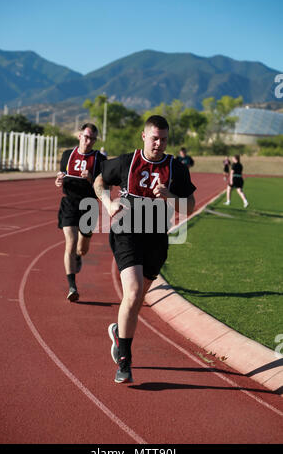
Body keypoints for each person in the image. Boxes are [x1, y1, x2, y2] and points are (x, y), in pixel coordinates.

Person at [94, 115, 196, 383]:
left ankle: (119, 332)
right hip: (126, 232)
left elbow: (190, 206)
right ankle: (125, 361)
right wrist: (108, 203)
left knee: (137, 300)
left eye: (163, 139)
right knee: (134, 290)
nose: (158, 144)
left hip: (156, 238)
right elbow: (99, 181)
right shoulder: (127, 162)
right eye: (154, 138)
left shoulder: (176, 168)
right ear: (144, 136)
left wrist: (169, 196)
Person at [55, 123, 107, 302]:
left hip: (89, 205)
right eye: (86, 137)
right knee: (71, 242)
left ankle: (78, 256)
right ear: (79, 136)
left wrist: (91, 178)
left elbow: (103, 189)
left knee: (82, 249)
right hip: (69, 202)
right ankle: (72, 286)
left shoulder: (99, 160)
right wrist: (58, 180)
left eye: (92, 138)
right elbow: (61, 175)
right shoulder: (67, 155)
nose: (89, 141)